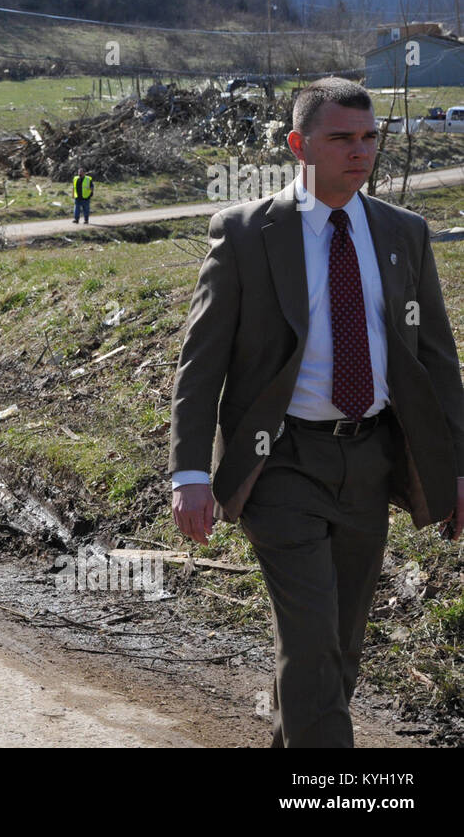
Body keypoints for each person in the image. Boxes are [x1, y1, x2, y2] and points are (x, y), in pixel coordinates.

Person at [169, 77, 464, 748]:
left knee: (340, 644)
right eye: (341, 139)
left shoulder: (403, 233)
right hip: (280, 462)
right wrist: (188, 472)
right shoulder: (246, 234)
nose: (361, 152)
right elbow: (201, 362)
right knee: (310, 643)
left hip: (370, 460)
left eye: (369, 138)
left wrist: (457, 468)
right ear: (299, 145)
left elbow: (438, 362)